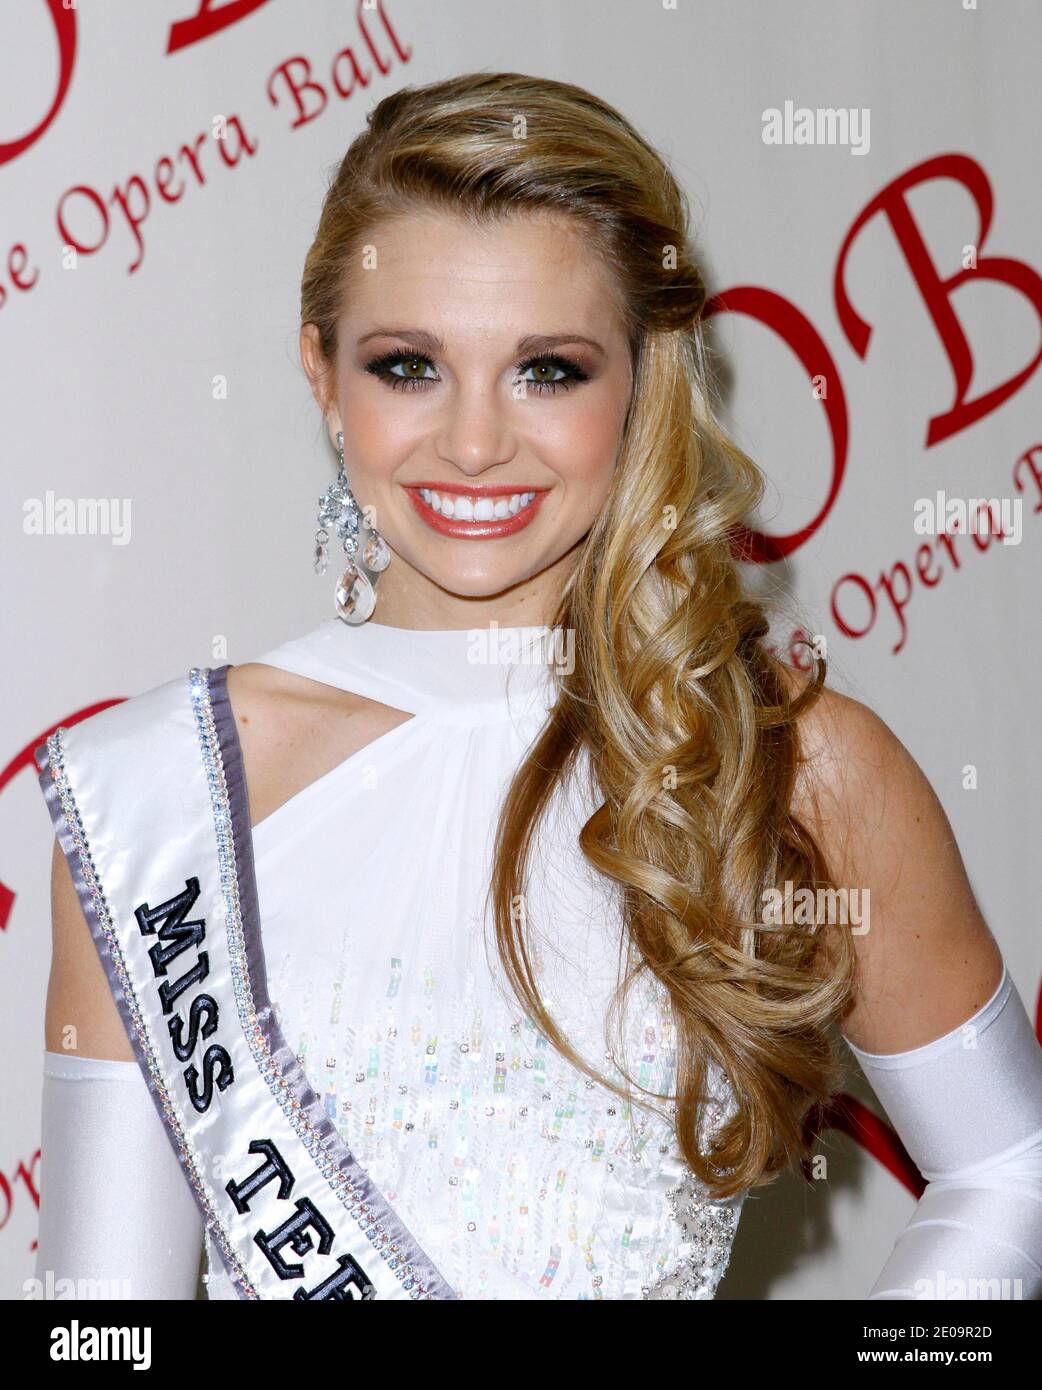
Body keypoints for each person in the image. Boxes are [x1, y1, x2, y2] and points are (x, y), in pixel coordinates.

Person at [32, 71, 1042, 1302]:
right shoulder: (161, 798)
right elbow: (93, 1329)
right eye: (407, 365)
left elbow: (1011, 1171)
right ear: (319, 372)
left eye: (547, 371)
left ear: (643, 375)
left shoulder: (794, 763)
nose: (472, 442)